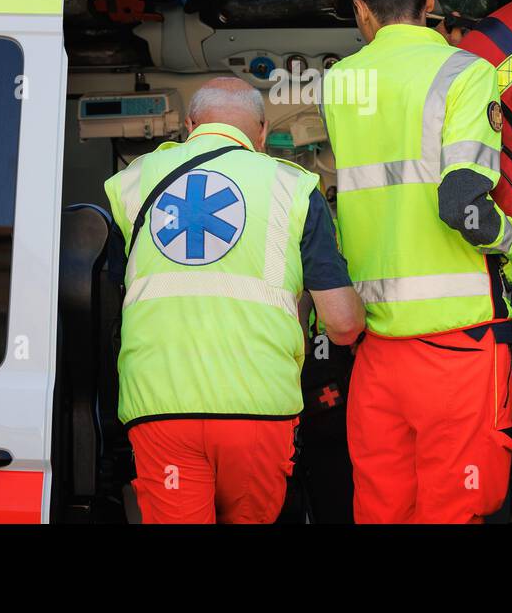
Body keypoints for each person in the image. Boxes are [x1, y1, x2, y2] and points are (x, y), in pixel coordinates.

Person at [322, 0, 512, 523]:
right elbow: (463, 208)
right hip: (455, 346)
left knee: (382, 507)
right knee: (455, 507)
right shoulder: (464, 72)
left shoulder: (338, 83)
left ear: (362, 12)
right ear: (430, 0)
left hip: (377, 349)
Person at [104, 76, 365, 524]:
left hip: (160, 409)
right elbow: (342, 323)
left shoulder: (132, 183)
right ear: (262, 131)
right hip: (258, 412)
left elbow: (116, 294)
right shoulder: (294, 188)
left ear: (189, 126)